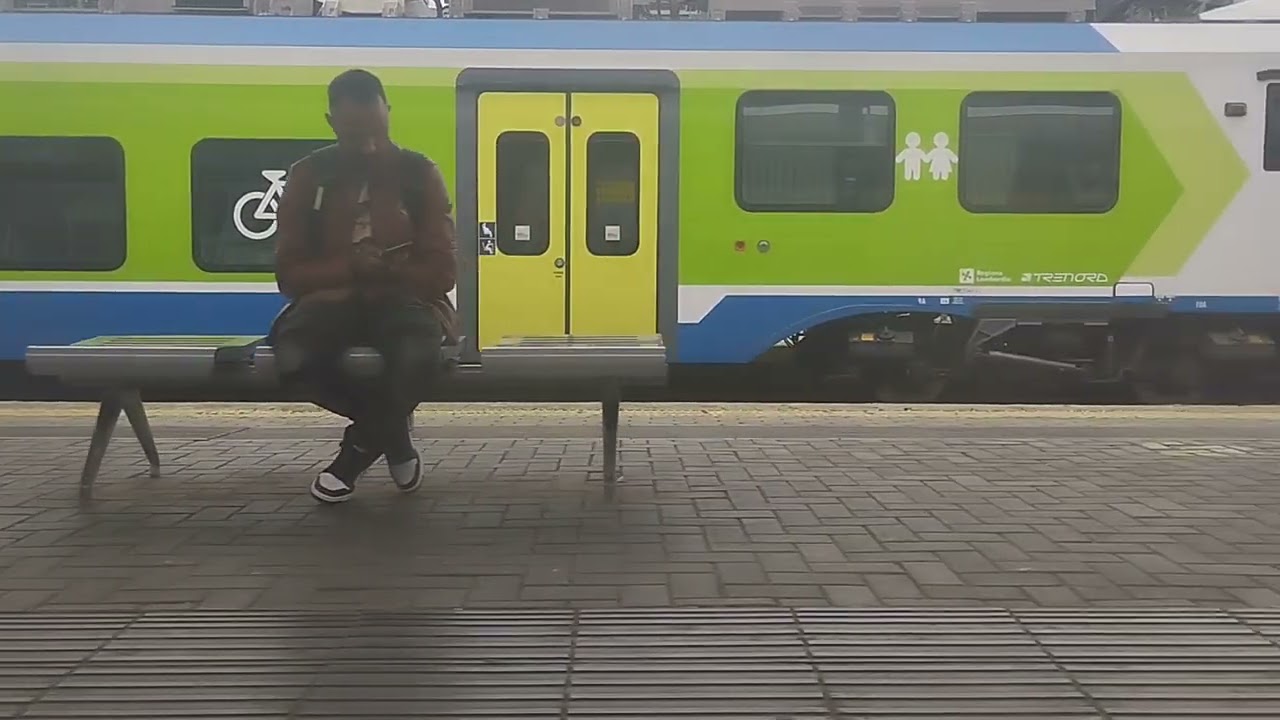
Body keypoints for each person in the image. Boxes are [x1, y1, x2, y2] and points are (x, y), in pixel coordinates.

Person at [271, 69, 457, 504]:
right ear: (331, 123)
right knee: (294, 357)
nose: (369, 145)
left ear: (388, 114)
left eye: (376, 131)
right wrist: (352, 267)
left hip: (405, 301)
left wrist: (389, 271)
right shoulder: (308, 176)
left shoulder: (419, 174)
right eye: (356, 136)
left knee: (416, 353)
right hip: (329, 301)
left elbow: (442, 272)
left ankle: (353, 455)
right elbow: (289, 275)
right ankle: (394, 438)